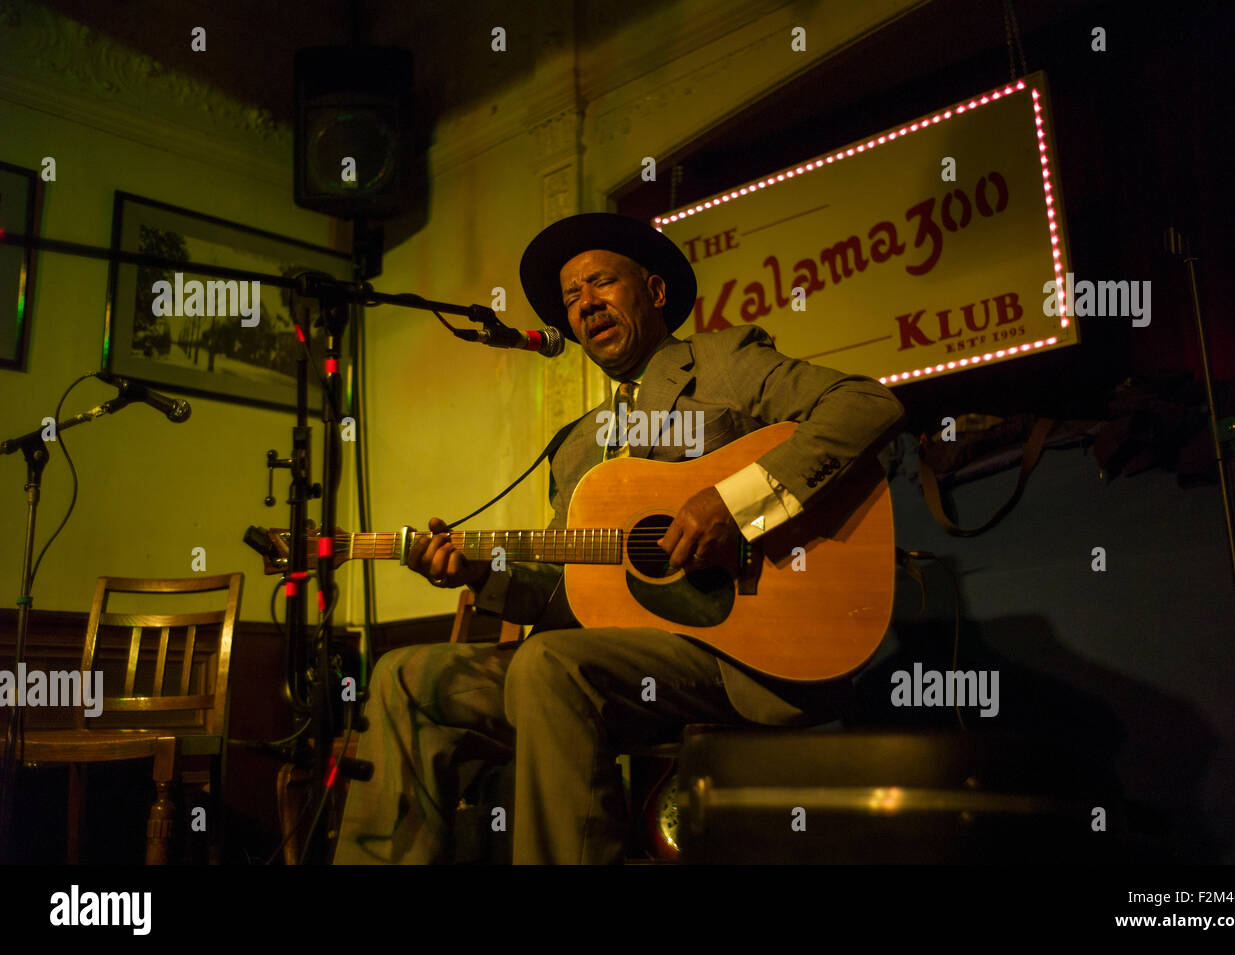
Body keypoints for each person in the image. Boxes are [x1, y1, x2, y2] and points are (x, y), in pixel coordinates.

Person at [333, 213, 905, 864]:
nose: (584, 305)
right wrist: (478, 573)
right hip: (620, 666)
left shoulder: (724, 362)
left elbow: (867, 406)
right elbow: (562, 598)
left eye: (600, 282)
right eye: (572, 298)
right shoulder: (578, 445)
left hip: (737, 657)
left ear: (655, 293)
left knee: (546, 666)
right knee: (404, 674)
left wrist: (735, 503)